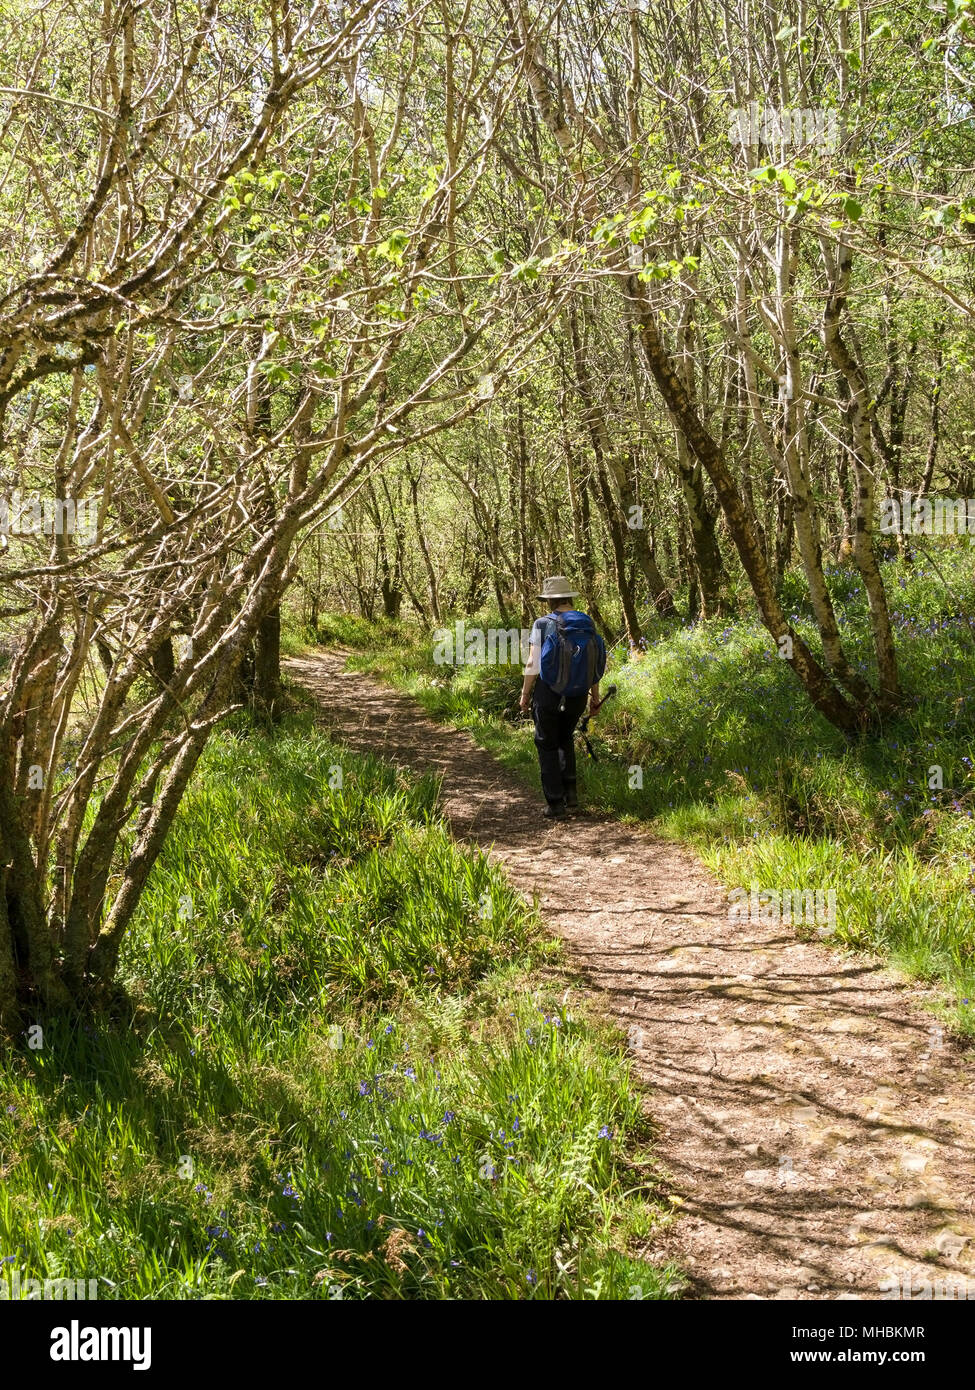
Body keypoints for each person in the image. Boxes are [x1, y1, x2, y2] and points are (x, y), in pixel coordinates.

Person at [519, 576, 606, 819]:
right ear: (569, 597)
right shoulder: (586, 622)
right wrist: (595, 697)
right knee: (565, 737)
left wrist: (525, 694)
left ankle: (555, 804)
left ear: (549, 601)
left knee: (546, 742)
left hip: (549, 692)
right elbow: (592, 662)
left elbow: (532, 662)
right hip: (578, 693)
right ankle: (572, 798)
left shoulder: (542, 624)